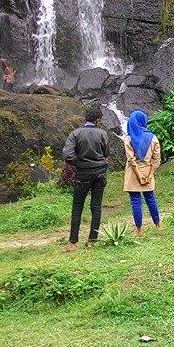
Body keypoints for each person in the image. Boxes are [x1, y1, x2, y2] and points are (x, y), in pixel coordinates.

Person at [63, 104, 110, 251]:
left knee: (77, 206)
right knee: (96, 207)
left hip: (82, 174)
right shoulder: (102, 134)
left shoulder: (75, 134)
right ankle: (92, 240)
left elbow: (67, 155)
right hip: (100, 173)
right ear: (98, 119)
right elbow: (106, 153)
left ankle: (73, 242)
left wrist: (78, 163)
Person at [122, 110, 162, 236]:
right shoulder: (153, 137)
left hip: (133, 173)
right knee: (150, 198)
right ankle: (158, 225)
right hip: (148, 170)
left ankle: (139, 230)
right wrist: (149, 175)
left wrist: (139, 176)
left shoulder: (128, 139)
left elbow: (131, 160)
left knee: (135, 201)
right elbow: (157, 159)